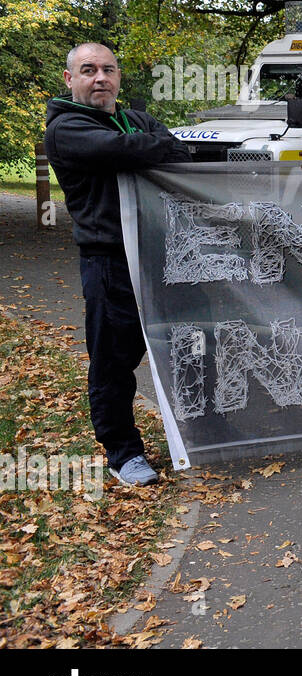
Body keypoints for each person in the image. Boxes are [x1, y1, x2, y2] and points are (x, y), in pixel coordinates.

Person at [44, 42, 193, 485]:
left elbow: (176, 152)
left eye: (108, 69)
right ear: (70, 80)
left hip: (166, 258)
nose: (100, 78)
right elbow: (127, 151)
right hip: (110, 262)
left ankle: (202, 435)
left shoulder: (135, 121)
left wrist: (148, 144)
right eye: (88, 70)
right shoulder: (67, 127)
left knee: (192, 347)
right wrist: (150, 146)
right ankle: (123, 454)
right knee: (113, 363)